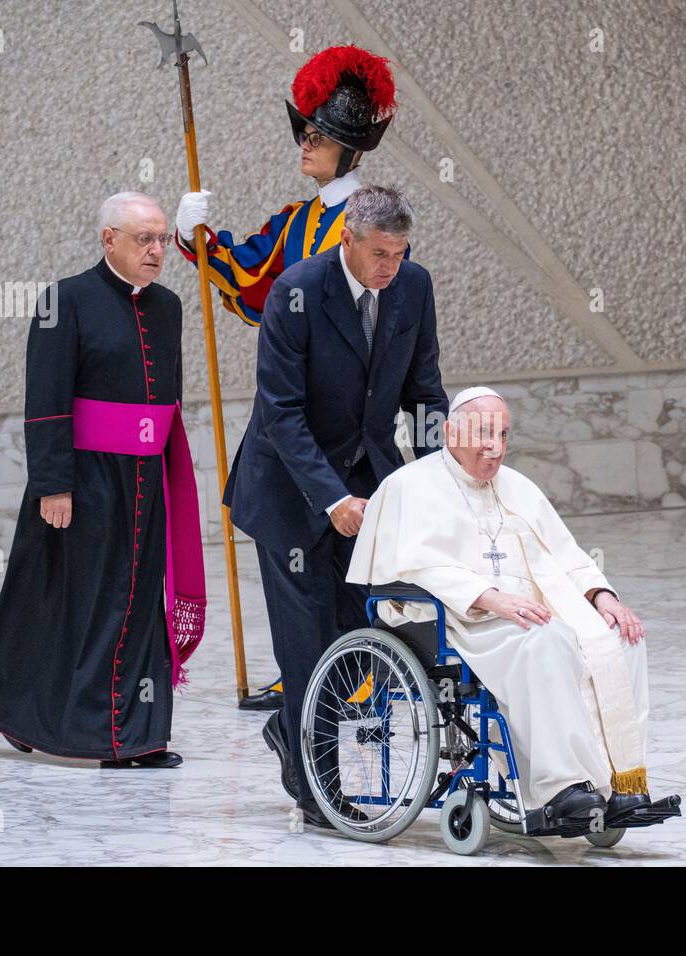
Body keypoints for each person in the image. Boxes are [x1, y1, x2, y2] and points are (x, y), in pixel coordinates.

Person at [173, 43, 399, 711]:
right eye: (303, 129)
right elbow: (250, 284)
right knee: (288, 543)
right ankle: (309, 670)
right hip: (295, 408)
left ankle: (355, 674)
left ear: (351, 148)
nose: (305, 142)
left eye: (319, 134)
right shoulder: (301, 220)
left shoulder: (371, 219)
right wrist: (198, 238)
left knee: (344, 553)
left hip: (344, 416)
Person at [227, 185, 448, 826]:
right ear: (346, 240)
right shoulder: (295, 292)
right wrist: (332, 499)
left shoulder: (414, 286)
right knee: (307, 643)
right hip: (289, 490)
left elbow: (424, 390)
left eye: (400, 253)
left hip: (370, 480)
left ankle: (289, 731)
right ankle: (317, 788)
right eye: (379, 253)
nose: (390, 267)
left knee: (366, 627)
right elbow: (282, 413)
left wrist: (446, 473)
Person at [347, 388, 661, 827]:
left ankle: (621, 786)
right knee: (546, 643)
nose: (494, 446)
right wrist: (489, 598)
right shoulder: (410, 486)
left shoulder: (518, 486)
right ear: (451, 431)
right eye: (483, 433)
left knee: (620, 640)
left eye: (503, 435)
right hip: (455, 620)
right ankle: (563, 788)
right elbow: (415, 566)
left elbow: (567, 553)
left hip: (529, 612)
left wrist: (602, 596)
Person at [0, 192, 204, 768]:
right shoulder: (65, 300)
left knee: (142, 597)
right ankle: (74, 725)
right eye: (143, 240)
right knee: (80, 602)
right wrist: (54, 484)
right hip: (86, 480)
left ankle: (141, 734)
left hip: (147, 480)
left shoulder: (169, 306)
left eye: (160, 240)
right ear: (109, 240)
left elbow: (165, 400)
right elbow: (46, 400)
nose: (157, 251)